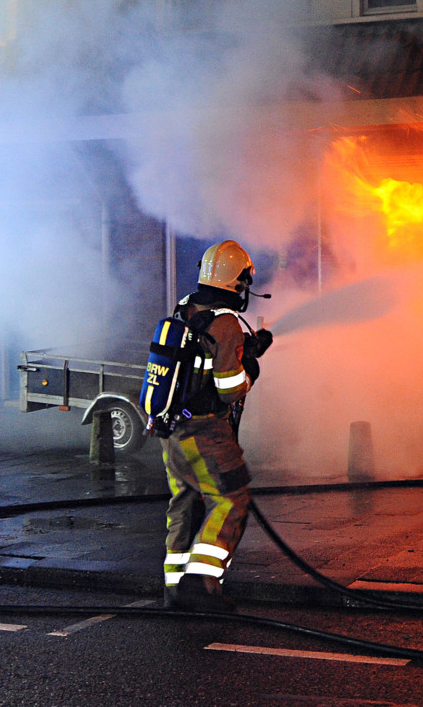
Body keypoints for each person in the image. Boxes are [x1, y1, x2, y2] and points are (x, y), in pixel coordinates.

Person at [161, 240, 271, 613]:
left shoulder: (186, 309)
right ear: (236, 281)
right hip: (205, 431)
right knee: (231, 498)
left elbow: (200, 363)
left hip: (174, 428)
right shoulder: (224, 322)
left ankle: (175, 589)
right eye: (243, 282)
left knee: (185, 503)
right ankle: (202, 584)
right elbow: (228, 389)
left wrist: (247, 350)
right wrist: (251, 368)